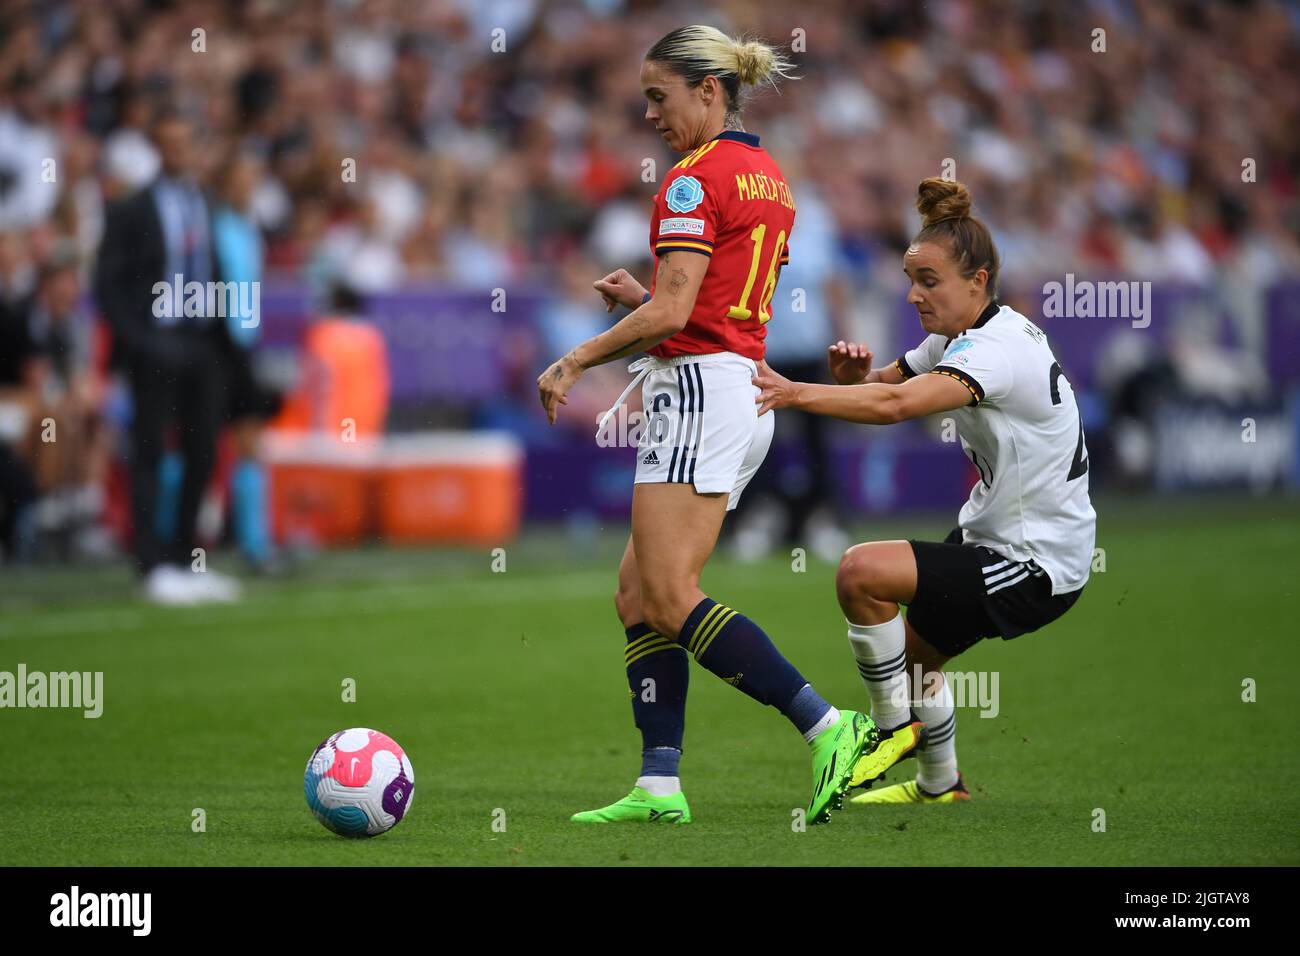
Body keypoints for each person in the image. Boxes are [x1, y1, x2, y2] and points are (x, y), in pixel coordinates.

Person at [537, 25, 893, 826]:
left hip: (699, 397)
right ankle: (659, 783)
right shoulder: (770, 176)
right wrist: (644, 305)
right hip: (733, 387)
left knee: (667, 594)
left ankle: (832, 729)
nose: (651, 115)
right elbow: (705, 312)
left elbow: (676, 312)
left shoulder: (692, 181)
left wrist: (576, 359)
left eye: (659, 97)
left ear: (709, 89)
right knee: (638, 593)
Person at [752, 177, 1097, 804]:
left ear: (979, 281)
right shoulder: (965, 336)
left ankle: (890, 733)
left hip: (1035, 561)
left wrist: (795, 390)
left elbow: (896, 406)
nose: (913, 294)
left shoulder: (992, 352)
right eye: (911, 279)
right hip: (996, 535)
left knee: (859, 574)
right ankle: (942, 784)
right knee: (913, 665)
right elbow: (885, 382)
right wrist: (853, 378)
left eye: (929, 281)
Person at [95, 108, 241, 605]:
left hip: (201, 341)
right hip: (156, 341)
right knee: (151, 452)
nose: (179, 152)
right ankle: (151, 563)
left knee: (203, 452)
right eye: (169, 142)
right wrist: (138, 338)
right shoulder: (130, 208)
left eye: (187, 142)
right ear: (158, 148)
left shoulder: (205, 201)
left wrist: (226, 338)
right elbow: (109, 284)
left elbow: (212, 270)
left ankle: (186, 558)